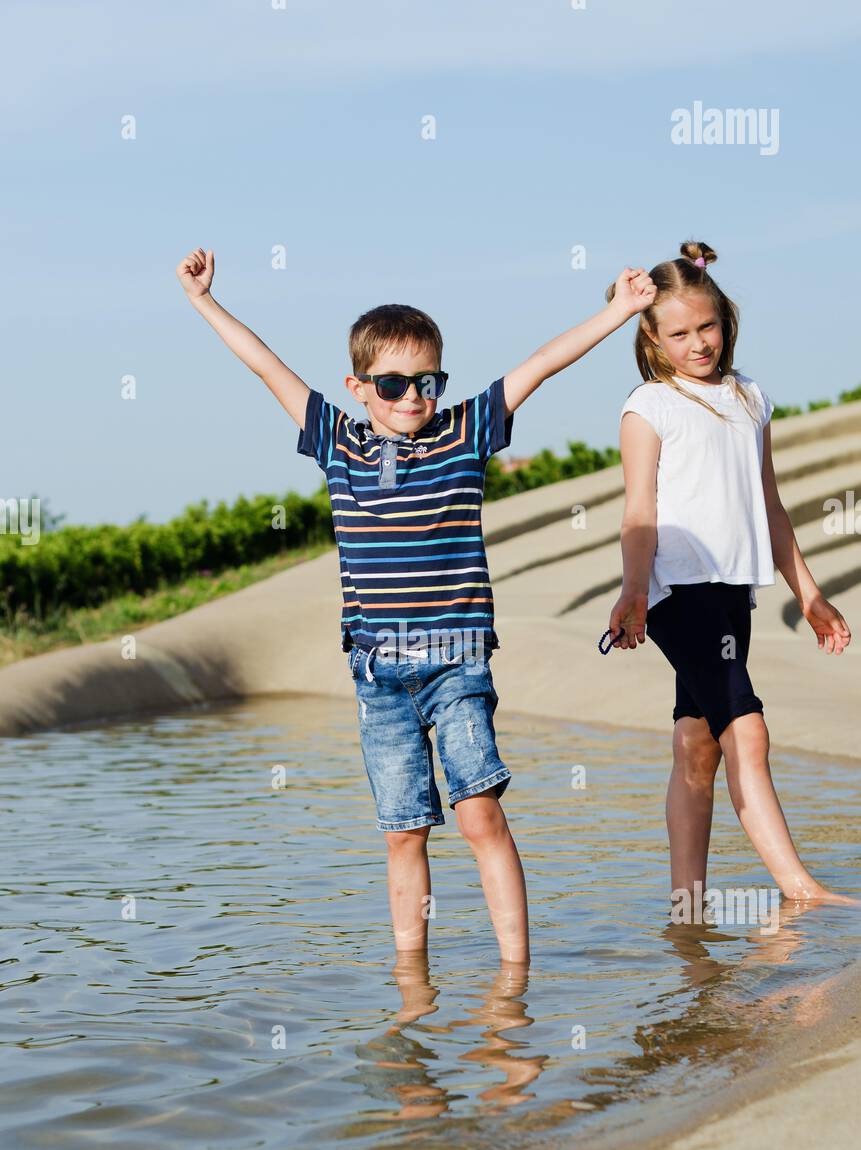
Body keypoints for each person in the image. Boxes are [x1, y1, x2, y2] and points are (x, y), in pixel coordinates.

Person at [176, 247, 656, 959]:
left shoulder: (465, 432)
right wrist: (204, 301)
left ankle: (513, 975)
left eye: (425, 381)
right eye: (393, 383)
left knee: (479, 813)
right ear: (358, 385)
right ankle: (412, 980)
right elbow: (266, 366)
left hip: (457, 661)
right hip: (377, 673)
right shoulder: (338, 442)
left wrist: (617, 313)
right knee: (403, 830)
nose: (410, 397)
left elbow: (540, 363)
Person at [606, 240, 853, 915]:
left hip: (731, 592)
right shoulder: (647, 406)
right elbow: (638, 510)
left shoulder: (749, 400)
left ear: (726, 319)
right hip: (673, 592)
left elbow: (768, 505)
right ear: (652, 339)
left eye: (707, 326)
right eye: (679, 333)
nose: (698, 343)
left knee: (697, 741)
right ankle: (799, 890)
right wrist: (632, 590)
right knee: (745, 727)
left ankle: (685, 910)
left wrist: (808, 594)